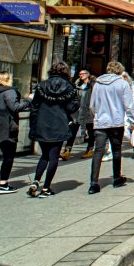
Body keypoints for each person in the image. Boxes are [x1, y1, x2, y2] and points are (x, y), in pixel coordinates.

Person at [27, 62, 79, 198]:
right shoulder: (69, 87)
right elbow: (72, 107)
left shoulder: (41, 85)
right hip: (59, 123)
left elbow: (34, 106)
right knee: (53, 157)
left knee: (44, 155)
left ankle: (36, 180)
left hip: (42, 122)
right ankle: (46, 187)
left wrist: (33, 124)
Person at [88, 61, 134, 194]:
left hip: (100, 122)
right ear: (120, 71)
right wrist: (132, 122)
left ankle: (94, 183)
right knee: (116, 150)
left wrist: (96, 115)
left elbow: (92, 105)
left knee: (98, 151)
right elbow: (128, 105)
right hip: (116, 122)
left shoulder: (98, 83)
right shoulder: (122, 84)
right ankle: (116, 178)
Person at [63, 69, 94, 160]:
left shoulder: (92, 85)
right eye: (80, 74)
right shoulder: (77, 85)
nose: (81, 75)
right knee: (72, 131)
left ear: (88, 74)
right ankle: (67, 151)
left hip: (89, 112)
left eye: (83, 73)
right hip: (78, 112)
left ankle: (90, 149)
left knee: (91, 132)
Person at [122, 72, 134, 158]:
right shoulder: (118, 87)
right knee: (125, 131)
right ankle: (133, 144)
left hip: (132, 110)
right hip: (122, 111)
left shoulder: (133, 87)